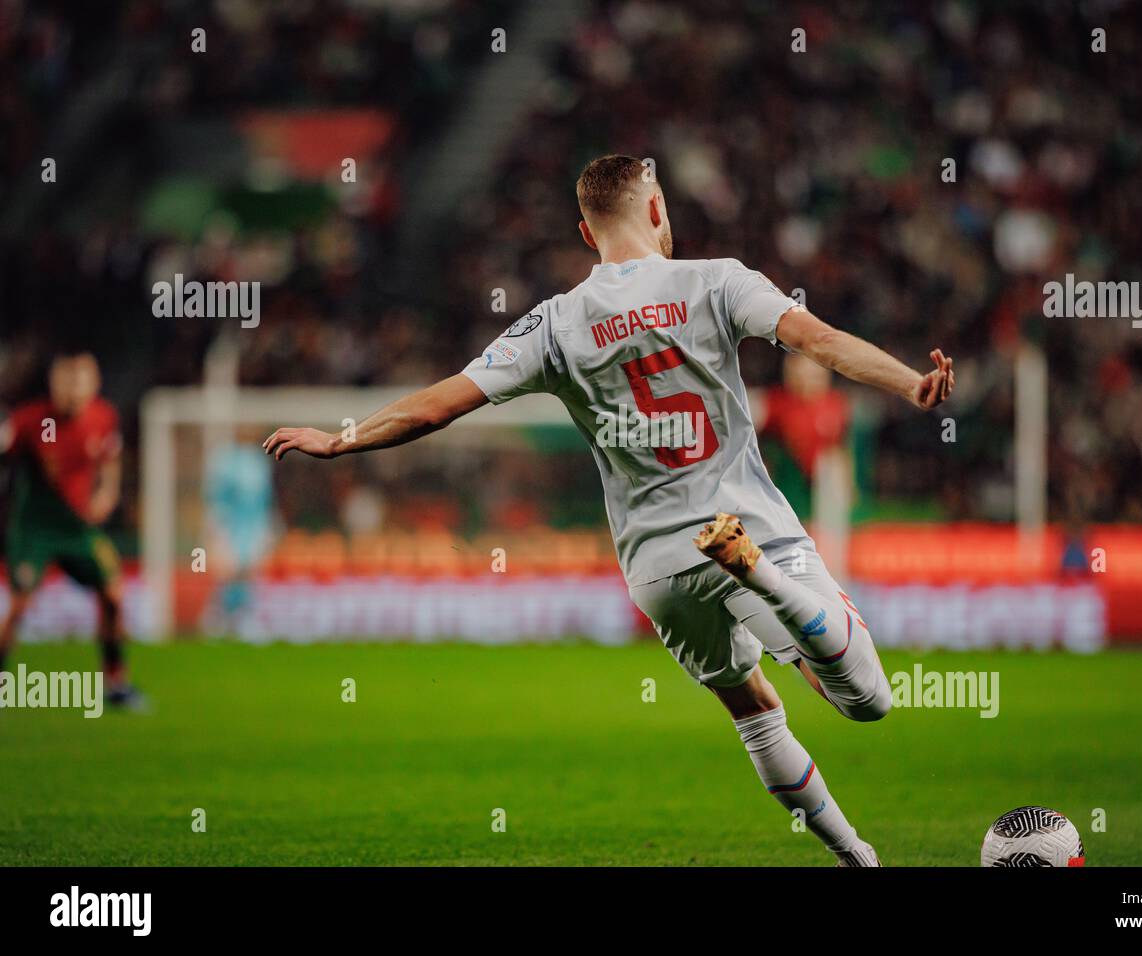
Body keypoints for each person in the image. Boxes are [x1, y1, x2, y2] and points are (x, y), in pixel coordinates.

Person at [263, 155, 954, 865]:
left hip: (656, 568)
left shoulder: (554, 323)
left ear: (586, 235)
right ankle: (764, 579)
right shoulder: (717, 280)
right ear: (655, 210)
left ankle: (855, 857)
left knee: (754, 711)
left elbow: (439, 404)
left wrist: (340, 439)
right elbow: (820, 342)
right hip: (744, 528)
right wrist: (910, 384)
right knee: (867, 699)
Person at [0, 352, 141, 706]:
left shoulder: (103, 417)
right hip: (34, 528)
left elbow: (110, 460)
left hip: (77, 528)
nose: (72, 389)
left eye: (80, 380)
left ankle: (116, 681)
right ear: (53, 383)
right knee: (19, 605)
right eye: (65, 380)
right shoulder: (29, 421)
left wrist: (106, 494)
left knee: (113, 594)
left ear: (94, 384)